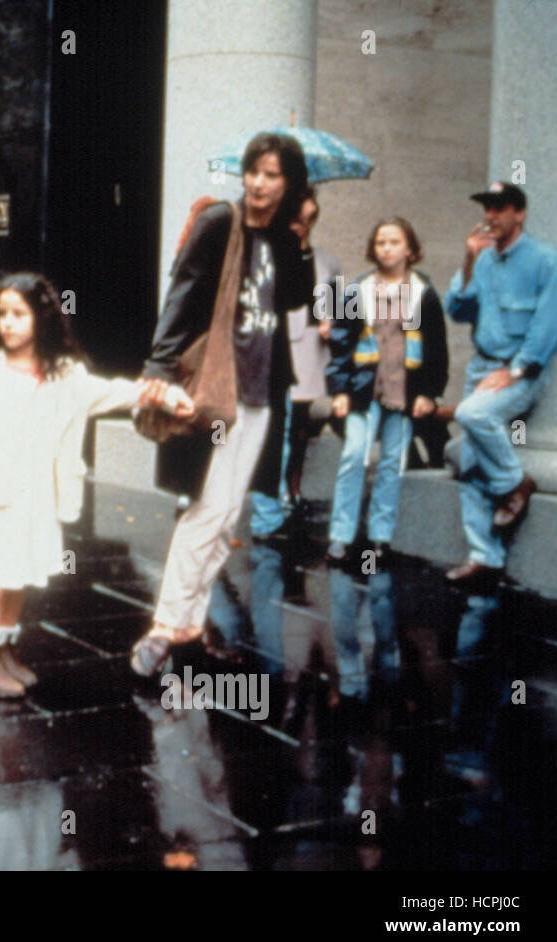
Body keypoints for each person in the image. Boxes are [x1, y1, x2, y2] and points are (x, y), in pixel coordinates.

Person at [131, 132, 315, 677]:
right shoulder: (219, 223)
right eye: (253, 171)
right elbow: (182, 291)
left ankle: (190, 623)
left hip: (262, 392)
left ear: (290, 184)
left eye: (272, 175)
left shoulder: (284, 237)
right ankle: (166, 624)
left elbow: (296, 301)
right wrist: (161, 367)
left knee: (229, 513)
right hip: (216, 390)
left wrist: (301, 242)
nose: (258, 183)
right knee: (206, 506)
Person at [0, 272, 146, 698]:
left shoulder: (64, 376)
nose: (7, 323)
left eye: (18, 314)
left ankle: (3, 647)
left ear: (41, 318)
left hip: (35, 496)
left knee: (18, 571)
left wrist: (151, 393)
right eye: (1, 314)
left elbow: (107, 393)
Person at [443, 182, 557, 581]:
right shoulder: (481, 260)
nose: (490, 216)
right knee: (467, 463)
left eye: (500, 209)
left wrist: (515, 369)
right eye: (487, 208)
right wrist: (467, 260)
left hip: (518, 372)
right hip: (481, 367)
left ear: (520, 214)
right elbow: (458, 312)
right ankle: (485, 556)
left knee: (471, 414)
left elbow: (547, 328)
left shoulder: (547, 262)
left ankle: (516, 483)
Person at [325, 216, 448, 562]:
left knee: (393, 461)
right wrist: (339, 390)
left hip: (404, 391)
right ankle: (341, 535)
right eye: (380, 242)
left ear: (409, 248)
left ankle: (380, 535)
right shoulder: (355, 290)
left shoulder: (423, 293)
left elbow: (436, 350)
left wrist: (429, 393)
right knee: (353, 456)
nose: (387, 248)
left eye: (394, 242)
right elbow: (339, 343)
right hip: (363, 388)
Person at [250, 186, 340, 541]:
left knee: (297, 426)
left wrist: (332, 320)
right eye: (297, 220)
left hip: (308, 348)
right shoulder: (268, 253)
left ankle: (291, 492)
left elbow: (337, 306)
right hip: (272, 345)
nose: (303, 227)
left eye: (309, 220)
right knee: (274, 428)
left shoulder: (326, 259)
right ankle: (269, 504)